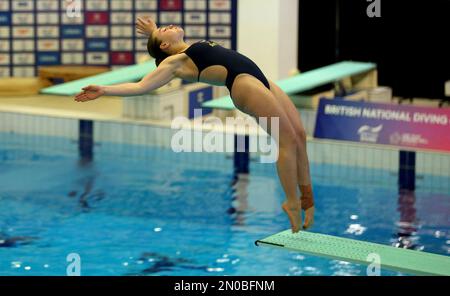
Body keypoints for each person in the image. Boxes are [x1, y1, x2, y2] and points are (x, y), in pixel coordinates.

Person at [75, 17, 315, 233]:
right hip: (243, 83)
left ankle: (307, 196)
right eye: (163, 31)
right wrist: (105, 90)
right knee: (285, 141)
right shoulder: (175, 63)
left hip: (259, 78)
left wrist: (153, 32)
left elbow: (159, 44)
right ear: (165, 46)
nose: (167, 26)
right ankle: (291, 202)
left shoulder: (183, 49)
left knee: (299, 136)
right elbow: (141, 86)